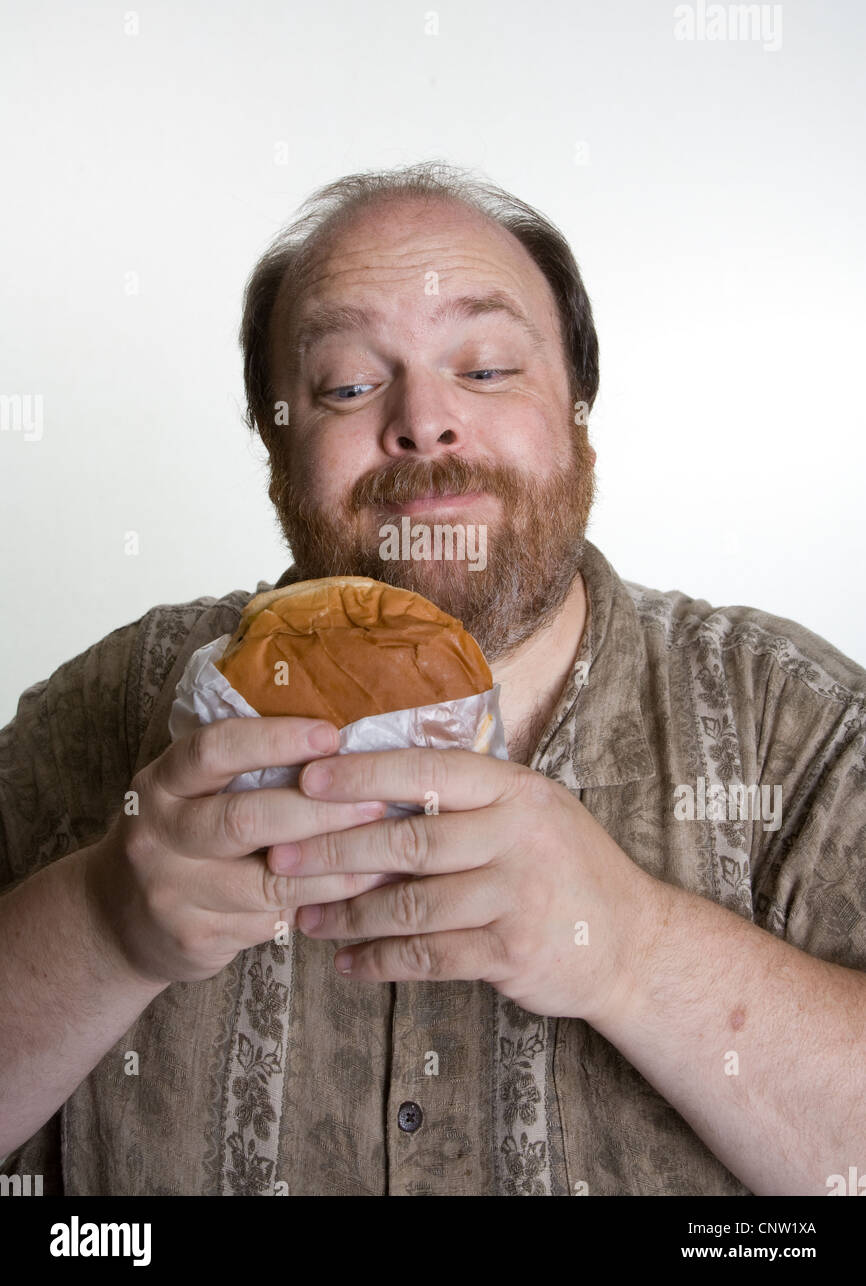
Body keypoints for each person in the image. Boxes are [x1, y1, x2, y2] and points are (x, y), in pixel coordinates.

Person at [1, 161, 864, 1197]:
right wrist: (100, 925)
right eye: (350, 385)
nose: (423, 421)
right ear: (278, 448)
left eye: (488, 367)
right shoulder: (104, 714)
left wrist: (632, 949)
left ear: (578, 412)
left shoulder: (796, 726)